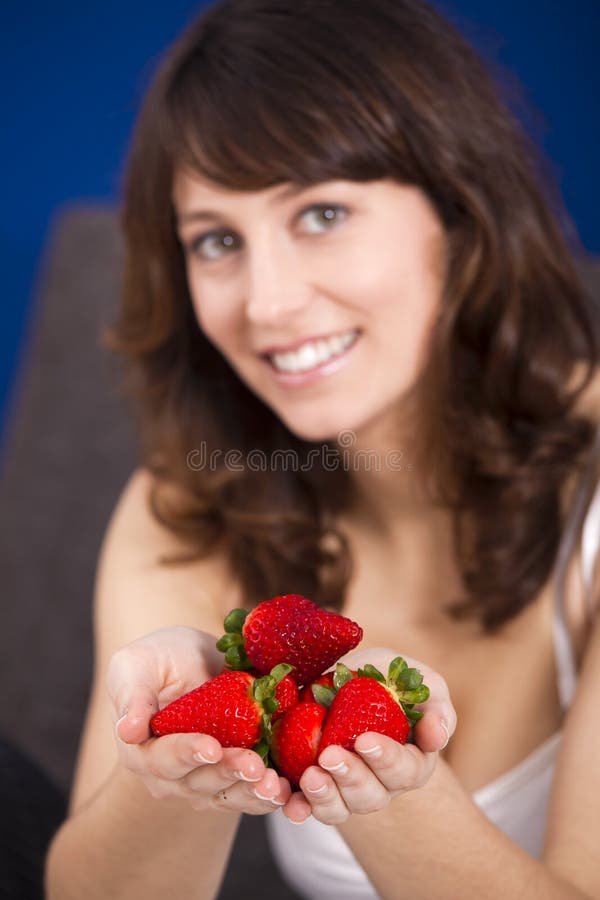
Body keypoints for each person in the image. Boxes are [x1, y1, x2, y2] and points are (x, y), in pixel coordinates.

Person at [46, 0, 600, 898]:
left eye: (322, 214)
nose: (266, 303)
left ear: (458, 221)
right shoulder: (187, 505)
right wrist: (169, 767)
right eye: (218, 241)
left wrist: (388, 786)